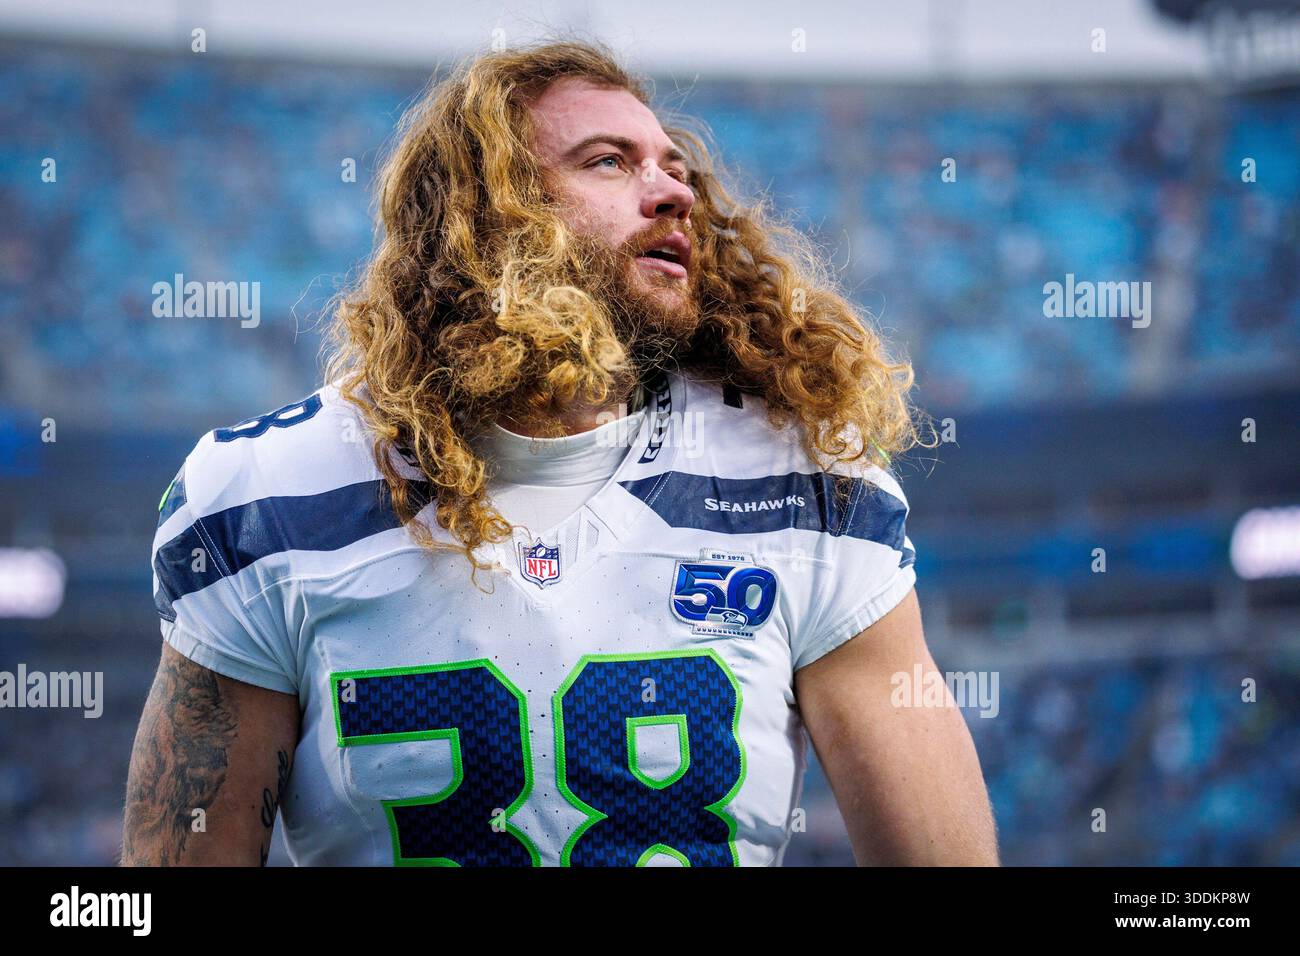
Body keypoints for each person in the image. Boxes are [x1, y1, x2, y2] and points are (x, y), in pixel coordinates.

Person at [124, 40, 997, 866]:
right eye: (610, 162)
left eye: (673, 167)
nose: (673, 194)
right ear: (483, 213)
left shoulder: (804, 480)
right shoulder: (265, 495)